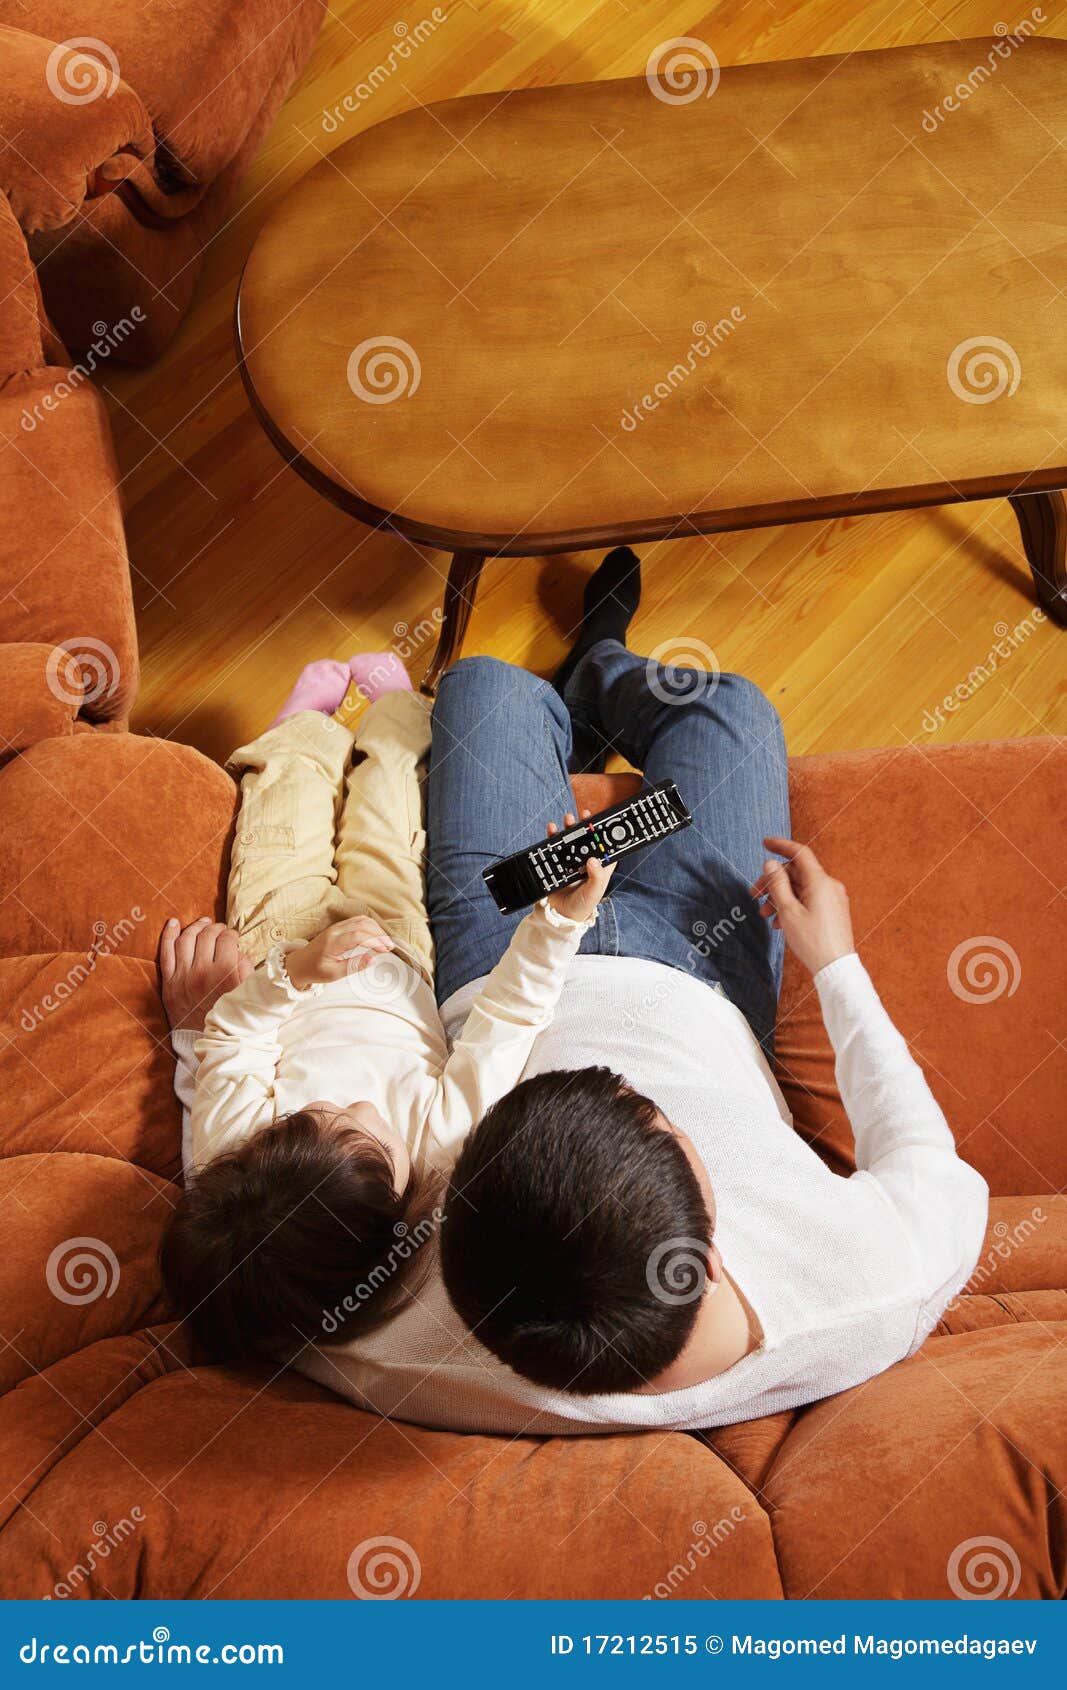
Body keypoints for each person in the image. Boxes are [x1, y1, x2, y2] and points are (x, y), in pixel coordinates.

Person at [165, 549, 988, 1434]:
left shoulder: (337, 1302)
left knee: (484, 685)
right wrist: (835, 964)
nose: (620, 1070)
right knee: (729, 710)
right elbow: (921, 1153)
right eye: (658, 1115)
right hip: (705, 969)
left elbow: (241, 1220)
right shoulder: (877, 1277)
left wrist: (197, 1031)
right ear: (706, 1254)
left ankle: (582, 682)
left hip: (497, 948)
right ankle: (602, 663)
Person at [161, 651, 612, 1365]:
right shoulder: (444, 1149)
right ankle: (397, 714)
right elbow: (505, 1023)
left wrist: (297, 972)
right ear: (398, 1218)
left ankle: (300, 732)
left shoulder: (236, 1160)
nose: (353, 1108)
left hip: (283, 944)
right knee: (390, 816)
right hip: (397, 947)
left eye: (313, 1118)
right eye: (367, 1138)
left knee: (277, 818)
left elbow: (233, 1037)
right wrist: (558, 923)